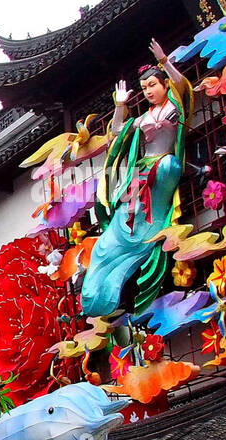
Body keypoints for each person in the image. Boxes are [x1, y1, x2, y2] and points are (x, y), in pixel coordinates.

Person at [81, 38, 193, 316]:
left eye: (153, 85)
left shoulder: (174, 108)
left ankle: (145, 232)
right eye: (144, 88)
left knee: (165, 166)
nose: (148, 91)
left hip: (165, 167)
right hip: (140, 175)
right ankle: (98, 293)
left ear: (164, 84)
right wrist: (120, 105)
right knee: (114, 234)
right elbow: (118, 132)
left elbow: (183, 88)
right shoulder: (141, 120)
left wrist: (165, 62)